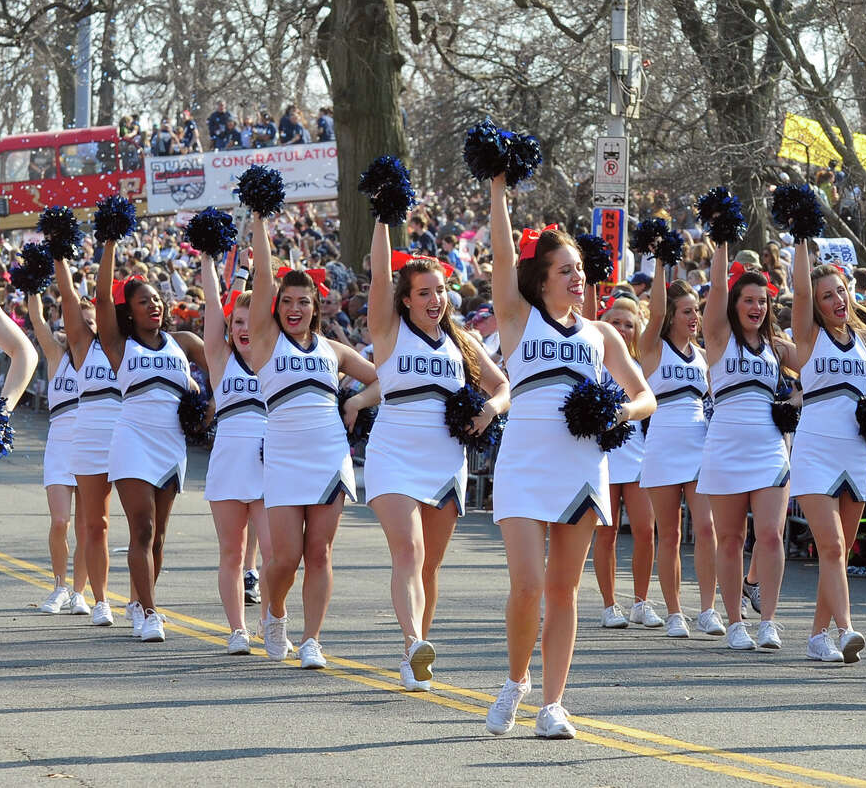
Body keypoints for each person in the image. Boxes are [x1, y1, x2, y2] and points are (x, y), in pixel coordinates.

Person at [483, 174, 655, 739]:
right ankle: (515, 680)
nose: (577, 277)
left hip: (583, 465)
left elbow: (644, 395)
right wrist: (498, 188)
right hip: (525, 462)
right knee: (528, 584)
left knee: (563, 589)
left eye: (580, 269)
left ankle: (554, 703)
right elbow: (504, 252)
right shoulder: (516, 316)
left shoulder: (603, 333)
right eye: (565, 269)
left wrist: (620, 415)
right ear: (542, 278)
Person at [363, 220, 508, 692]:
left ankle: (419, 648)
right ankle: (411, 644)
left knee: (430, 565)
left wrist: (488, 410)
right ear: (405, 299)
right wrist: (384, 218)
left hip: (445, 457)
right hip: (393, 451)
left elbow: (502, 386)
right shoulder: (387, 331)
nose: (434, 299)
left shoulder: (461, 340)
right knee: (409, 550)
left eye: (440, 290)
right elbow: (381, 272)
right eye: (423, 292)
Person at [247, 214, 380, 669]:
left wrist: (356, 402)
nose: (295, 308)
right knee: (284, 557)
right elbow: (263, 276)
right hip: (284, 455)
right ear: (277, 306)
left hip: (328, 452)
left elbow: (385, 379)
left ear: (315, 306)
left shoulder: (333, 350)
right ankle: (276, 615)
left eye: (303, 301)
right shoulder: (265, 342)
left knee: (319, 552)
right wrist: (260, 218)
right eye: (287, 301)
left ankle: (311, 640)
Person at [789, 240, 866, 663]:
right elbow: (800, 292)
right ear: (816, 305)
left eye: (841, 291)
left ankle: (819, 636)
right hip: (816, 448)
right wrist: (802, 240)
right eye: (827, 296)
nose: (837, 300)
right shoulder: (808, 334)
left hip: (858, 451)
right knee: (833, 547)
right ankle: (847, 628)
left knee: (837, 552)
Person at [96, 236, 209, 643]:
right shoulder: (119, 346)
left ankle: (141, 599)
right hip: (133, 440)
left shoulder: (183, 343)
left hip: (172, 443)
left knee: (159, 536)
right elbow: (102, 303)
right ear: (131, 311)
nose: (154, 304)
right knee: (141, 530)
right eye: (144, 301)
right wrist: (109, 243)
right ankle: (149, 611)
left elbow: (228, 367)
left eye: (157, 298)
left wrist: (205, 406)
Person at [698, 241, 798, 651]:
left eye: (762, 301)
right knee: (733, 538)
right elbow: (717, 292)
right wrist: (721, 242)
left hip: (770, 447)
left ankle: (769, 621)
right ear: (734, 303)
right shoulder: (719, 339)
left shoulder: (777, 346)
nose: (756, 307)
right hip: (725, 445)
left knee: (771, 535)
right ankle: (736, 622)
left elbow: (818, 365)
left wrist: (793, 401)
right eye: (748, 300)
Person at [636, 266, 721, 639]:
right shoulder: (652, 347)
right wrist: (659, 262)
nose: (695, 317)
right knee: (668, 533)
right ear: (671, 314)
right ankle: (674, 612)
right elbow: (653, 311)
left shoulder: (703, 355)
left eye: (697, 310)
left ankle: (708, 609)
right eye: (687, 310)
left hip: (699, 441)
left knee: (707, 528)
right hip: (663, 441)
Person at [199, 251, 271, 655]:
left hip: (267, 462)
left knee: (274, 553)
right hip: (228, 462)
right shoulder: (221, 359)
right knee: (230, 551)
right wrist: (210, 259)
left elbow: (271, 297)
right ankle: (237, 630)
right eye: (237, 322)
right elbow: (213, 303)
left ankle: (270, 623)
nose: (244, 328)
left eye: (251, 321)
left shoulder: (275, 360)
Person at [54, 257, 118, 627]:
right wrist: (61, 255)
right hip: (90, 436)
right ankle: (102, 601)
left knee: (146, 527)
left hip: (129, 433)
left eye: (94, 319)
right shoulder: (80, 347)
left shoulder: (124, 345)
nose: (89, 324)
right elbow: (67, 295)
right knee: (97, 525)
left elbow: (105, 297)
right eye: (84, 320)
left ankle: (144, 606)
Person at [591, 297, 659, 632]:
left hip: (635, 452)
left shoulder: (639, 363)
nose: (620, 329)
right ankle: (608, 605)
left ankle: (642, 602)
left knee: (646, 530)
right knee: (607, 532)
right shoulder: (589, 357)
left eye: (628, 324)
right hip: (600, 453)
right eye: (614, 322)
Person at [26, 292, 90, 618]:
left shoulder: (105, 360)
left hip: (92, 447)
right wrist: (33, 284)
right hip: (60, 446)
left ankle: (80, 592)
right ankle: (59, 587)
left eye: (90, 323)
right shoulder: (56, 356)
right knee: (60, 521)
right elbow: (37, 321)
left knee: (86, 526)